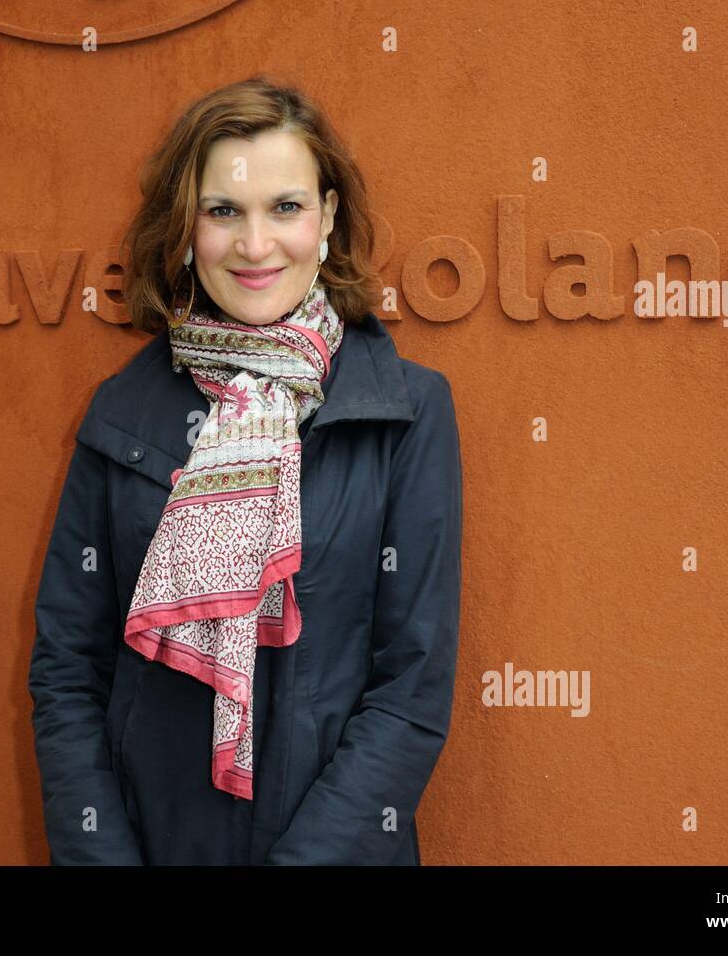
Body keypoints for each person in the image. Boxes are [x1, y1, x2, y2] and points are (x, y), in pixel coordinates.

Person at [28, 74, 462, 865]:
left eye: (286, 208)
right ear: (186, 227)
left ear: (328, 217)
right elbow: (66, 670)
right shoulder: (122, 412)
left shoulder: (407, 413)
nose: (255, 245)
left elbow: (411, 691)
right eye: (223, 210)